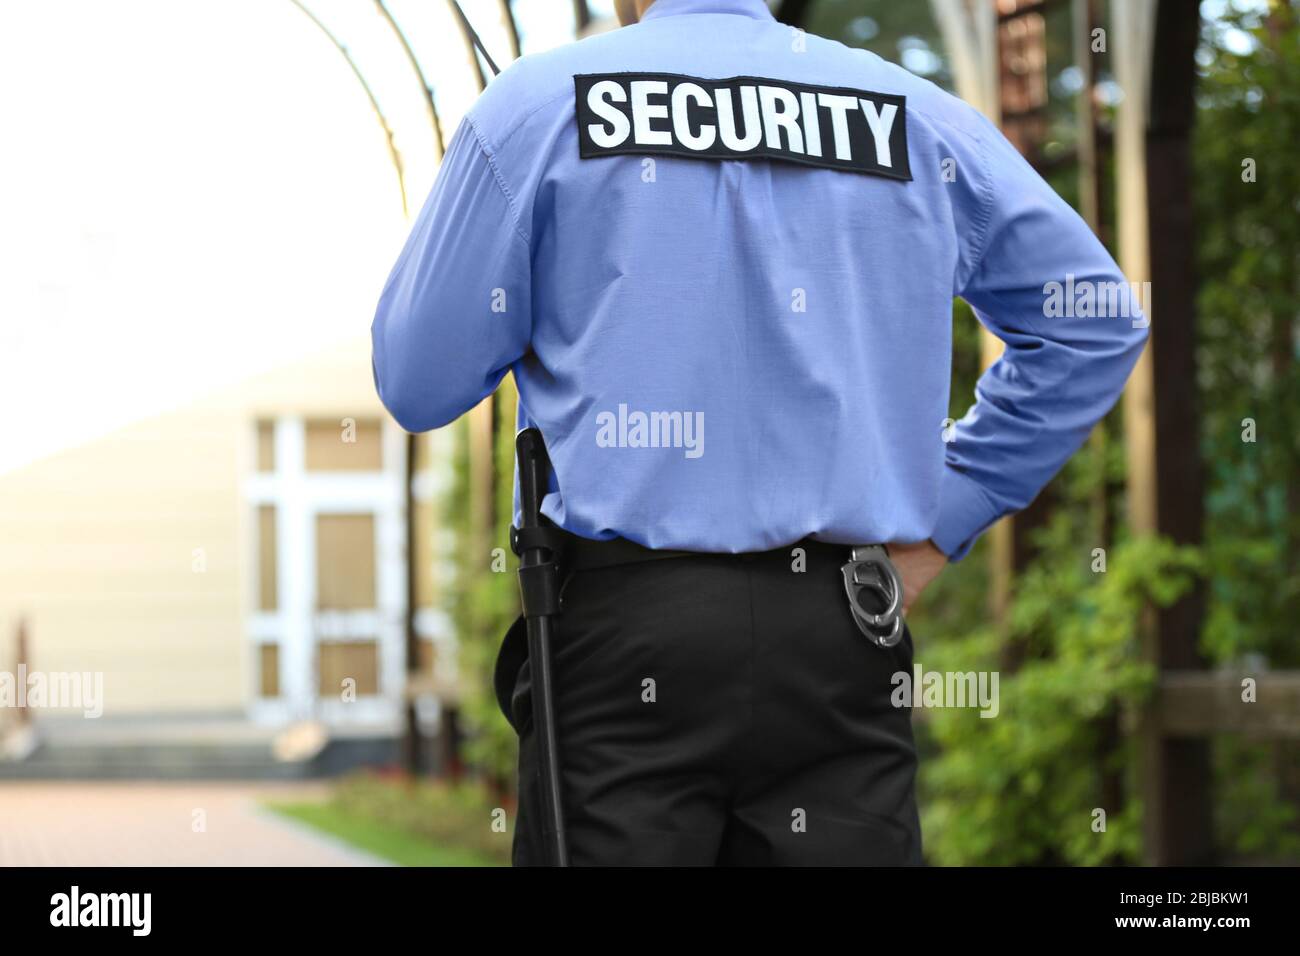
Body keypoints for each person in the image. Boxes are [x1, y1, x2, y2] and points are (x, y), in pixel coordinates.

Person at [371, 0, 1148, 866]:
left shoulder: (535, 107)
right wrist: (942, 518)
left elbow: (417, 382)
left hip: (628, 638)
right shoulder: (914, 114)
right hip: (843, 632)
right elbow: (1096, 320)